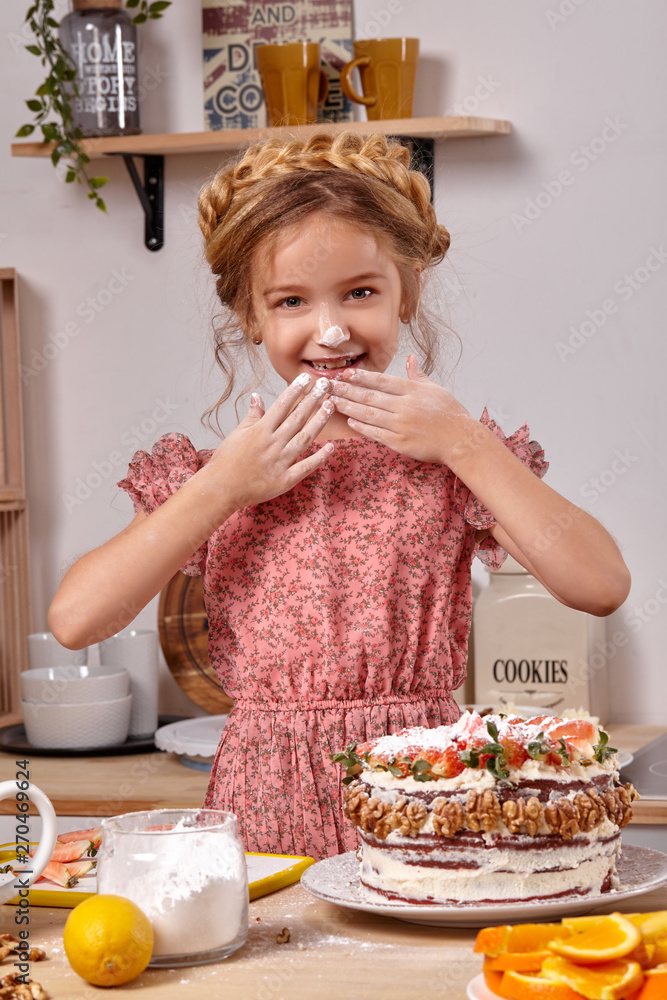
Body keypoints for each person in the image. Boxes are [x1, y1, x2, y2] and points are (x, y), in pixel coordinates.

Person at [49, 130, 630, 860]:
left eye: (359, 292)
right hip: (266, 810)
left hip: (421, 795)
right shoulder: (216, 475)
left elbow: (599, 584)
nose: (330, 328)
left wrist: (462, 443)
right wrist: (223, 486)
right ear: (250, 318)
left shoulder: (448, 458)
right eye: (291, 300)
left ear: (405, 293)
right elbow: (76, 620)